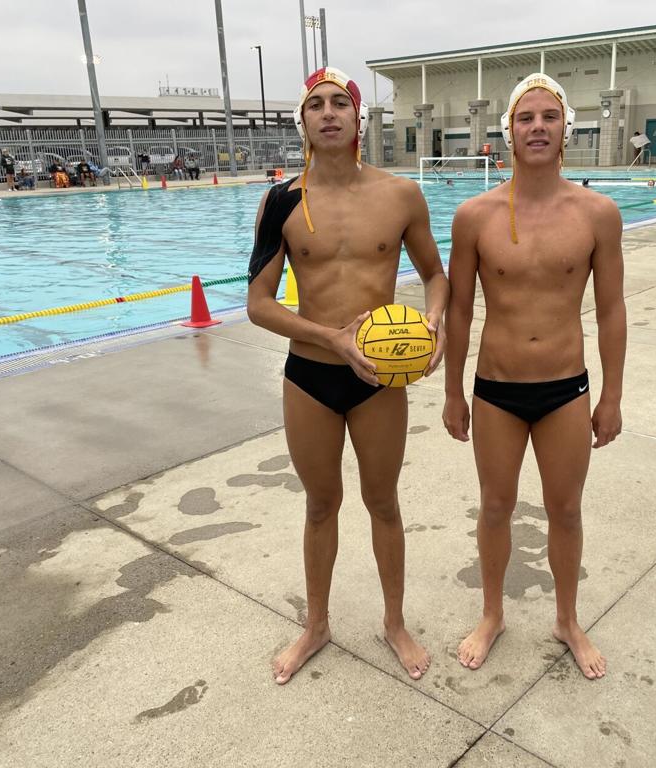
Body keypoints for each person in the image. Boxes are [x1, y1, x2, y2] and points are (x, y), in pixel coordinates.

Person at [245, 67, 449, 685]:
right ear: (302, 122)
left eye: (341, 103)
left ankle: (394, 622)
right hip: (311, 376)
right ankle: (317, 624)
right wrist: (330, 336)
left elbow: (437, 277)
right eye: (316, 105)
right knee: (320, 504)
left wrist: (435, 323)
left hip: (380, 380)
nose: (328, 112)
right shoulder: (282, 201)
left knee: (383, 502)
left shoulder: (400, 196)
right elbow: (258, 303)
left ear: (359, 119)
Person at [443, 73, 626, 680]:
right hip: (495, 389)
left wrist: (612, 397)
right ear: (509, 133)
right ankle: (492, 614)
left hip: (565, 389)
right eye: (526, 118)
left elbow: (611, 309)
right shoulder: (475, 215)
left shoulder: (597, 213)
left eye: (549, 116)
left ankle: (567, 620)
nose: (538, 127)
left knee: (566, 510)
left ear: (566, 129)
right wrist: (451, 392)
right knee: (495, 507)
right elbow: (461, 308)